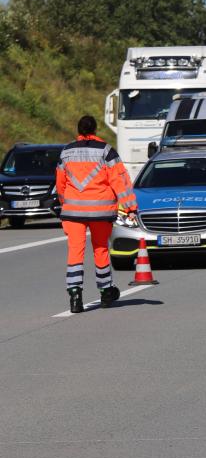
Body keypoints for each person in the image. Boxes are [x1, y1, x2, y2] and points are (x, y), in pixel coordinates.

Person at [56, 115, 138, 313]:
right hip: (101, 211)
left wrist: (64, 203)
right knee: (100, 250)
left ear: (78, 130)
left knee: (75, 252)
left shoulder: (66, 152)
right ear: (95, 130)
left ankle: (75, 294)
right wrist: (130, 208)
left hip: (73, 211)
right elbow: (120, 181)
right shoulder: (106, 151)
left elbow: (61, 183)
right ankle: (105, 292)